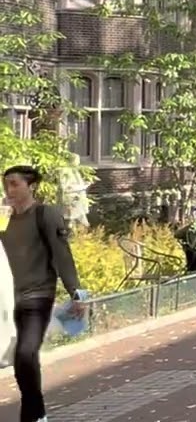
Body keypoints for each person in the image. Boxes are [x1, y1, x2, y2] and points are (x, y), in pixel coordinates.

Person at [1, 165, 86, 422]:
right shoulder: (5, 218)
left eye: (15, 184)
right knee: (17, 357)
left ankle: (35, 414)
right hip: (6, 299)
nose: (9, 189)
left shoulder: (45, 215)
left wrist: (76, 292)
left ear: (32, 186)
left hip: (36, 296)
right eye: (6, 184)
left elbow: (62, 255)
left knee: (26, 353)